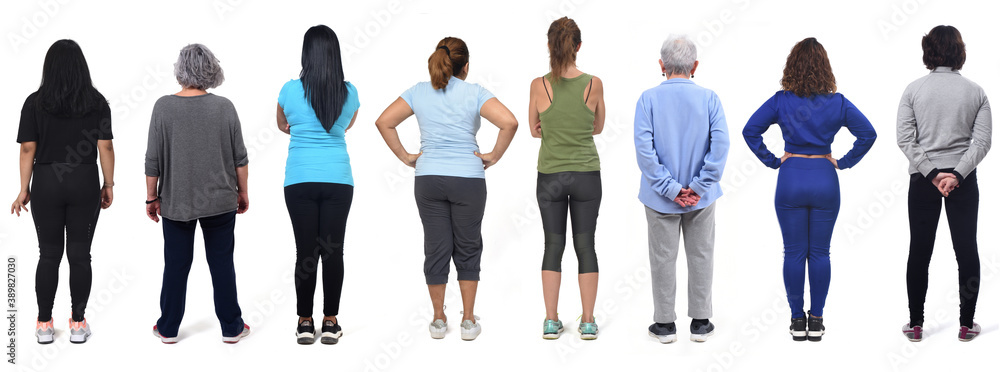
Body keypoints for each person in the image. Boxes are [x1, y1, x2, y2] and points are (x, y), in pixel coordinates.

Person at [375, 36, 517, 341]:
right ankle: (467, 321)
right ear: (465, 66)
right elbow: (510, 122)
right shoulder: (475, 92)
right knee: (468, 246)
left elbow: (384, 121)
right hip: (468, 179)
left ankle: (439, 320)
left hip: (428, 180)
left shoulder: (418, 91)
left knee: (436, 246)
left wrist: (407, 157)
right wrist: (493, 155)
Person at [743, 37, 876, 342]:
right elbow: (868, 134)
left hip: (790, 178)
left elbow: (750, 130)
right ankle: (816, 321)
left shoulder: (781, 100)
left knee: (793, 252)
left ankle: (795, 319)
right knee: (819, 252)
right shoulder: (838, 102)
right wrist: (842, 163)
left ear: (792, 66)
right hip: (824, 178)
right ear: (825, 68)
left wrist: (774, 161)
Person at [145, 43, 250, 344]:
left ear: (180, 69)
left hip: (176, 201)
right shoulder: (224, 107)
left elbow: (153, 159)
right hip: (220, 200)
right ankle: (232, 327)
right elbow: (239, 158)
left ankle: (168, 328)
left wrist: (152, 198)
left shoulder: (163, 107)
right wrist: (242, 192)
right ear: (211, 69)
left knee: (176, 265)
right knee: (222, 264)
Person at [11, 39, 115, 345]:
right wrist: (108, 184)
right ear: (81, 68)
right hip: (84, 179)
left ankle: (44, 324)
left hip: (46, 181)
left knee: (49, 254)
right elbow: (105, 146)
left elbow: (27, 148)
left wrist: (23, 189)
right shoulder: (97, 102)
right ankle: (78, 323)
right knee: (80, 255)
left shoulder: (34, 102)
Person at [897, 25, 991, 342]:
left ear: (928, 51)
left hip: (924, 180)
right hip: (962, 180)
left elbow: (905, 139)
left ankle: (916, 324)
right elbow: (982, 143)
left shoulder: (913, 90)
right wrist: (957, 174)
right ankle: (966, 324)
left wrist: (932, 172)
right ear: (959, 52)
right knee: (966, 250)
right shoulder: (976, 92)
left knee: (919, 251)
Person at [635, 34, 729, 344]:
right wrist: (698, 187)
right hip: (701, 199)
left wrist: (671, 189)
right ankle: (700, 323)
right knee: (701, 255)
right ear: (695, 65)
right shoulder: (710, 98)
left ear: (661, 65)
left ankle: (664, 326)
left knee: (662, 258)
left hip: (659, 198)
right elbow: (720, 147)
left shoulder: (647, 99)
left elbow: (645, 153)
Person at [277, 25, 360, 345]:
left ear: (306, 53)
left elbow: (283, 124)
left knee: (305, 252)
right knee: (333, 251)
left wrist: (302, 129)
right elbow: (346, 125)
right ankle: (331, 321)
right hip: (338, 180)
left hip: (299, 179)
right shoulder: (349, 92)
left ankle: (304, 322)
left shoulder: (289, 89)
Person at [527, 17, 606, 340]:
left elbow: (534, 129)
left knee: (553, 245)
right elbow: (598, 127)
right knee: (585, 245)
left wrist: (552, 127)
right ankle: (587, 322)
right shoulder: (594, 83)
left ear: (549, 46)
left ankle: (550, 320)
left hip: (550, 176)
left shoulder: (538, 85)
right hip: (587, 174)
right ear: (578, 47)